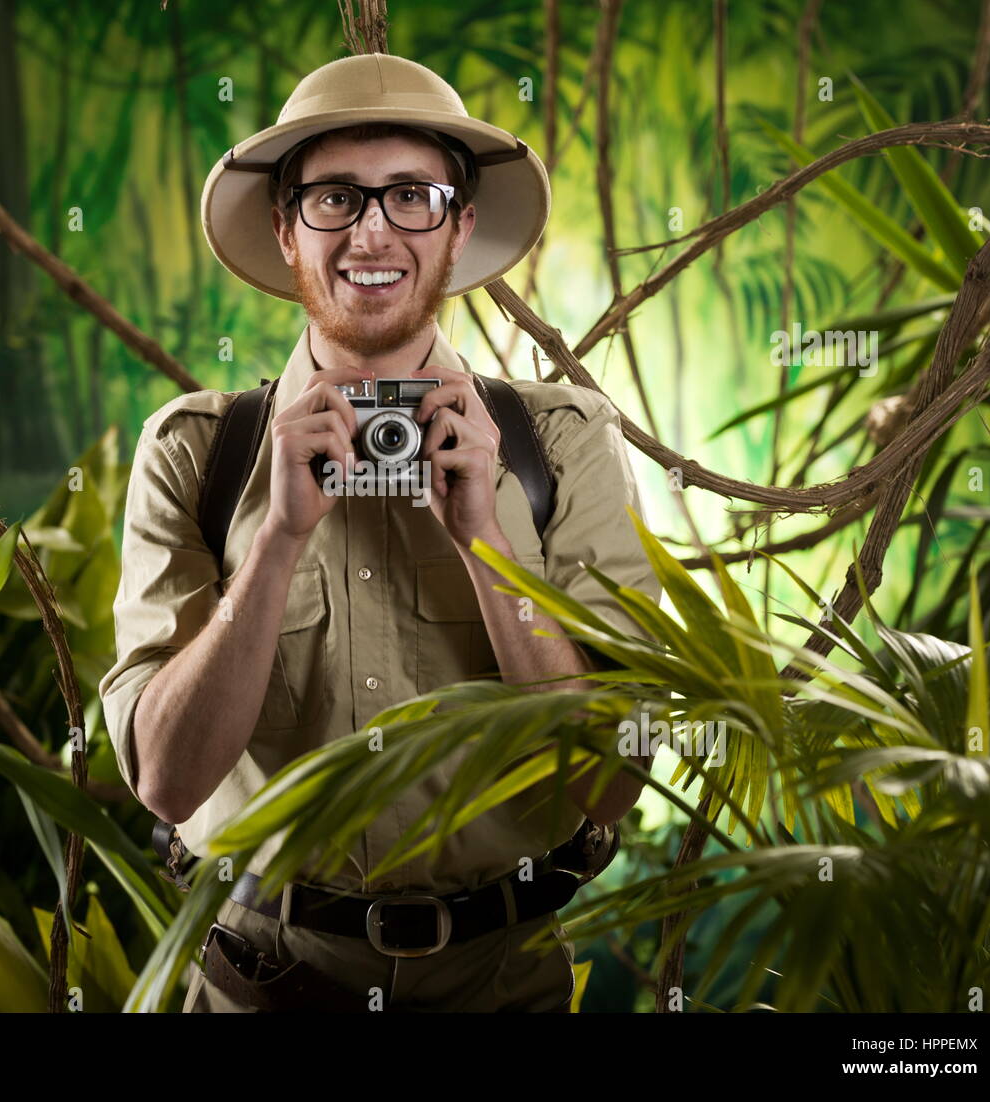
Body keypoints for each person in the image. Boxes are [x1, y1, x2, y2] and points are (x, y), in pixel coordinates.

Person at [99, 52, 663, 1012]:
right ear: (285, 229)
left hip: (502, 980)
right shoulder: (196, 452)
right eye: (334, 199)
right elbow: (165, 779)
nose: (372, 230)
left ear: (460, 226)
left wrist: (488, 540)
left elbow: (609, 785)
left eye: (413, 195)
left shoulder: (560, 445)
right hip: (261, 980)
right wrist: (274, 539)